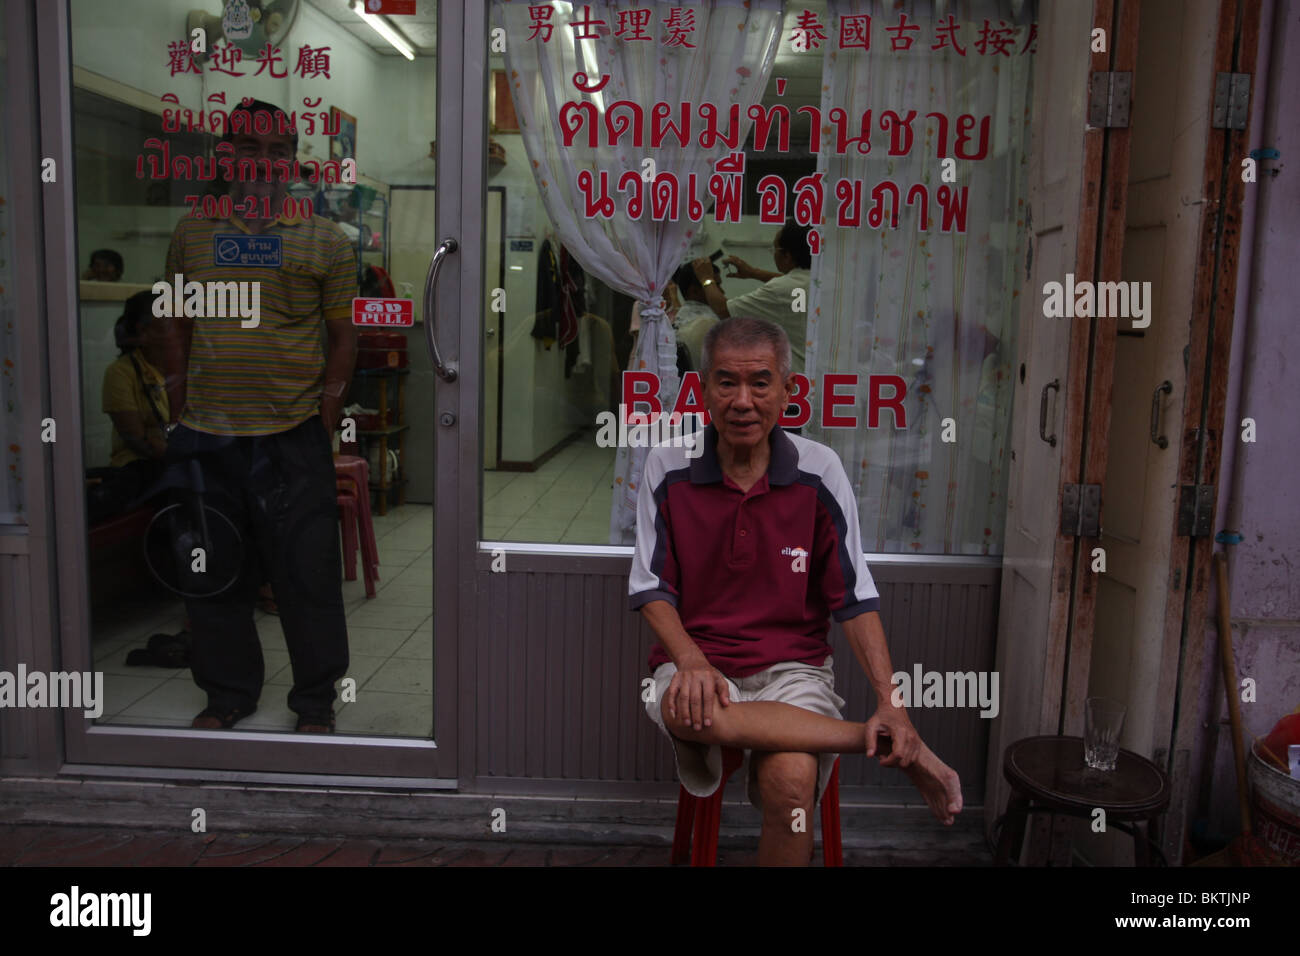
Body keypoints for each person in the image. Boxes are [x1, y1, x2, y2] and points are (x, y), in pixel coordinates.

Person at [630, 316, 963, 866]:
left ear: (787, 390)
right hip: (696, 663)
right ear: (703, 389)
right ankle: (876, 743)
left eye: (760, 382)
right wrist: (689, 659)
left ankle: (885, 732)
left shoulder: (820, 471)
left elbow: (854, 601)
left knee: (792, 783)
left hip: (794, 672)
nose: (742, 401)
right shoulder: (668, 466)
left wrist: (892, 703)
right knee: (694, 711)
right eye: (726, 382)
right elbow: (650, 586)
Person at [159, 98, 357, 734]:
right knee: (211, 570)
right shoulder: (192, 232)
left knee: (307, 572)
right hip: (207, 436)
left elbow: (343, 336)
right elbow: (175, 321)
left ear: (292, 159)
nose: (264, 162)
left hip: (291, 433)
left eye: (277, 151)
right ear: (227, 154)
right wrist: (176, 404)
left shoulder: (326, 239)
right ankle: (227, 696)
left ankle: (316, 702)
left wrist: (325, 414)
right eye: (249, 148)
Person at [87, 291, 170, 524]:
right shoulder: (121, 373)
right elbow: (139, 441)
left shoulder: (186, 367)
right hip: (142, 466)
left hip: (178, 458)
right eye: (168, 318)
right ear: (144, 332)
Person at [690, 221, 813, 372]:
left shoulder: (783, 290)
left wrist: (706, 279)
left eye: (774, 249)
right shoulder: (819, 282)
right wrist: (753, 273)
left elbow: (723, 310)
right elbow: (791, 286)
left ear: (787, 255)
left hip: (800, 381)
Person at [669, 260, 722, 372]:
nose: (722, 291)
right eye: (716, 285)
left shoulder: (676, 321)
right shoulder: (710, 324)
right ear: (694, 291)